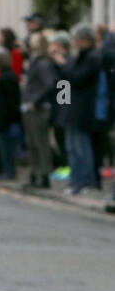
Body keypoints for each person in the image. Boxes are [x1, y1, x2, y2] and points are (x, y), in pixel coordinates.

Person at [54, 25, 101, 194]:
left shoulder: (92, 57)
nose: (74, 42)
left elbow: (76, 78)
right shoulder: (78, 57)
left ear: (84, 40)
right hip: (71, 108)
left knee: (82, 147)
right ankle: (76, 181)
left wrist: (62, 64)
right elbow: (64, 82)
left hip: (83, 109)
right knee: (71, 147)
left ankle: (87, 182)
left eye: (76, 39)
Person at [21, 32, 58, 189]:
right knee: (32, 142)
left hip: (38, 108)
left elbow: (50, 84)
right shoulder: (35, 61)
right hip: (30, 107)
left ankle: (43, 175)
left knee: (40, 143)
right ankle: (35, 173)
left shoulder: (43, 63)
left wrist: (35, 101)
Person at [0, 48, 22, 180]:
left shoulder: (5, 78)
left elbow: (8, 102)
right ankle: (7, 171)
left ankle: (9, 172)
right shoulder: (6, 76)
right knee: (5, 147)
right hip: (7, 119)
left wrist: (3, 120)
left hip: (6, 120)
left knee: (7, 148)